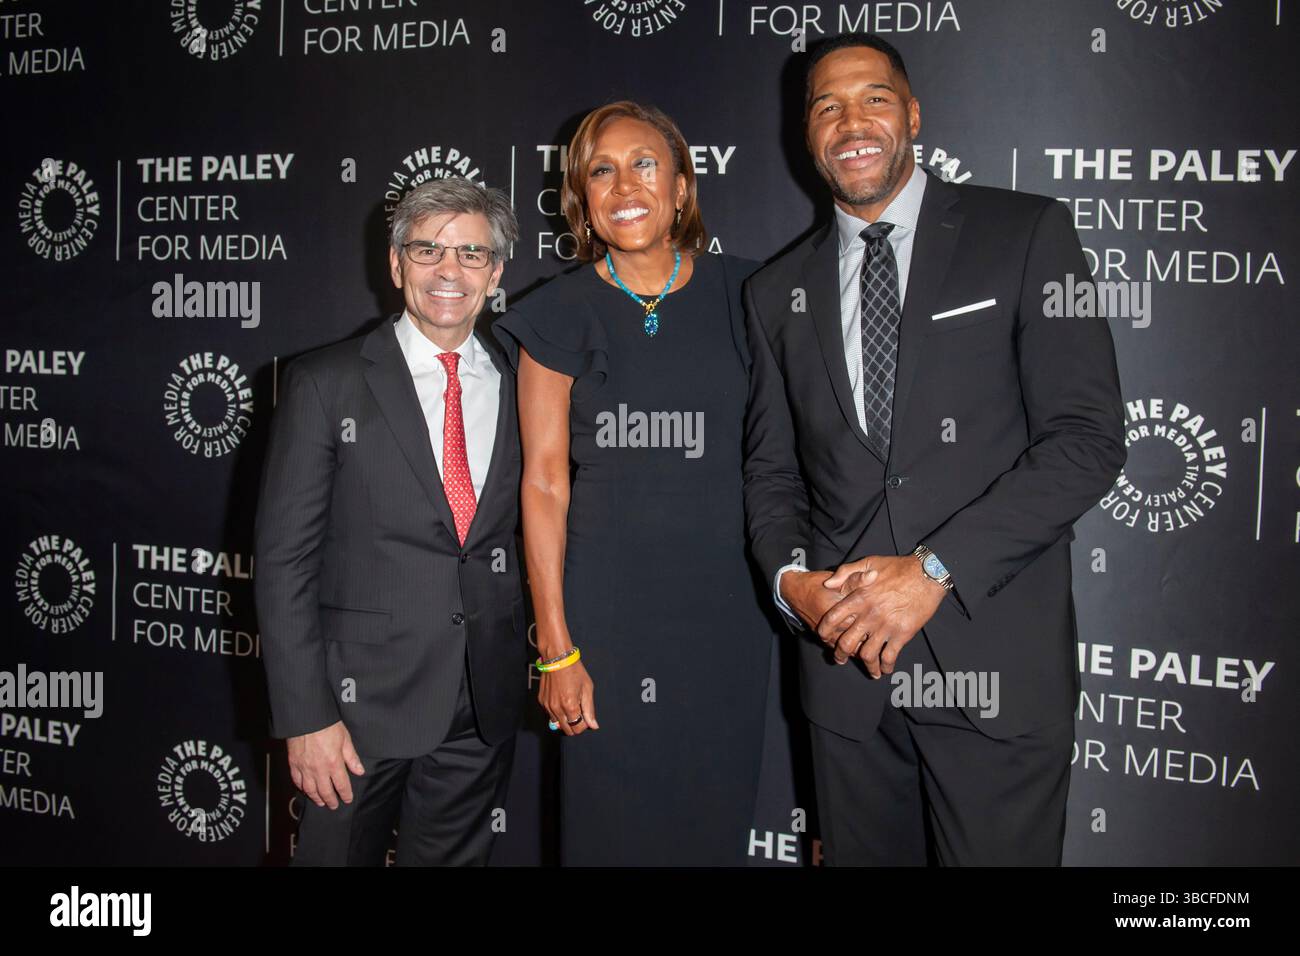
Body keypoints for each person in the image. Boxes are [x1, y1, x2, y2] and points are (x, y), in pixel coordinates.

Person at [742, 33, 1125, 865]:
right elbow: (773, 474)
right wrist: (790, 582)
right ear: (805, 133)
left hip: (995, 672)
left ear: (912, 114)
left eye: (874, 97)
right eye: (826, 105)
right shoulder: (775, 292)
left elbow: (1087, 441)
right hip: (846, 686)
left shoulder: (1024, 233)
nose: (852, 121)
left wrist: (933, 570)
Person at [494, 101, 775, 865]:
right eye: (602, 170)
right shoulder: (555, 314)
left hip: (729, 616)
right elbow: (545, 485)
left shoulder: (755, 297)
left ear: (682, 185)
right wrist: (557, 649)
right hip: (607, 620)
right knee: (609, 832)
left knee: (713, 828)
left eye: (645, 163)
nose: (625, 184)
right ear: (582, 199)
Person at [255, 178, 527, 865]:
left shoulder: (526, 384)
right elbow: (284, 560)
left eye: (471, 253)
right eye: (427, 249)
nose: (448, 271)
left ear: (495, 272)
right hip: (352, 715)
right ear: (396, 262)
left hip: (480, 707)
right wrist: (307, 714)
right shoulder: (325, 382)